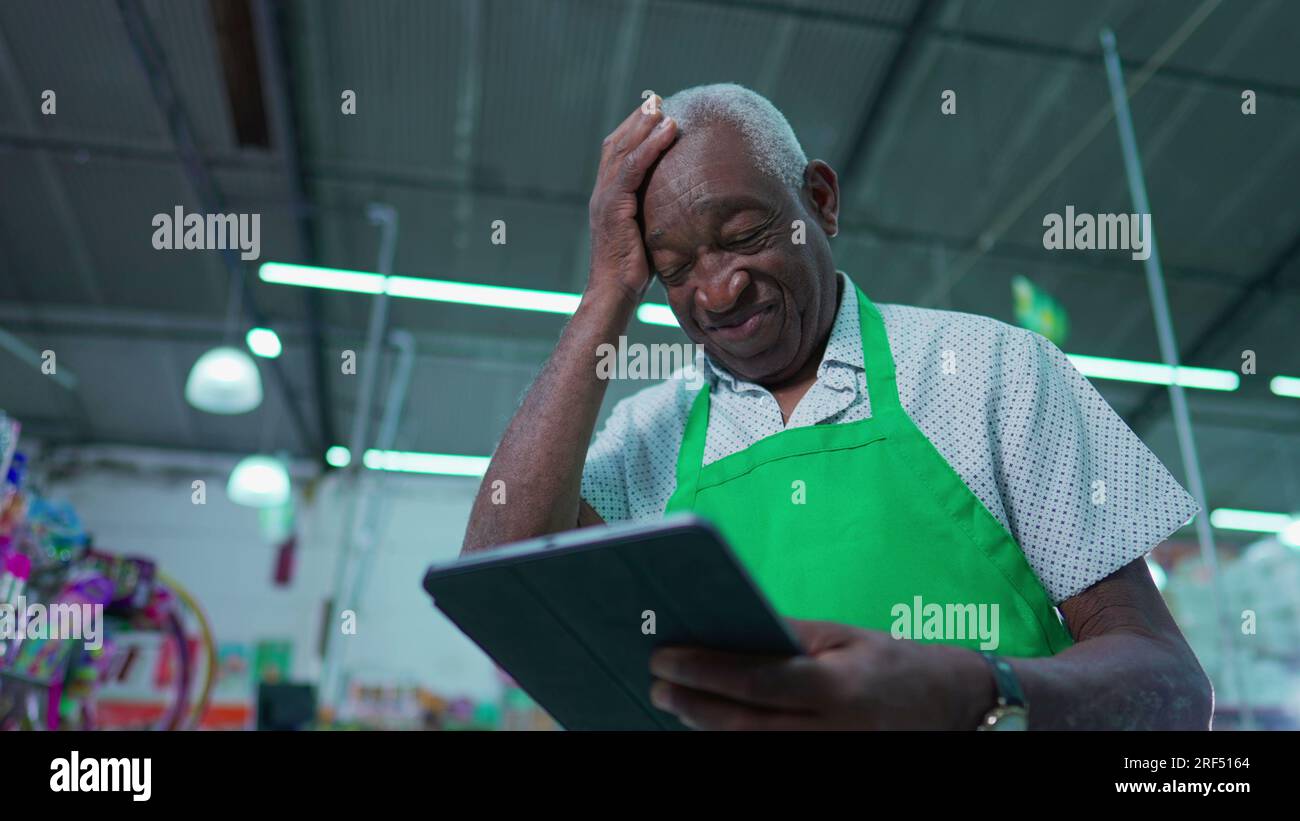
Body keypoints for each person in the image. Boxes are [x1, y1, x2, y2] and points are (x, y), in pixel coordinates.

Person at [462, 83, 1212, 730]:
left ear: (820, 201)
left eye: (747, 235)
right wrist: (607, 291)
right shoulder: (643, 441)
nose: (719, 289)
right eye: (675, 267)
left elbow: (1172, 689)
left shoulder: (991, 373)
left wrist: (975, 695)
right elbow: (501, 587)